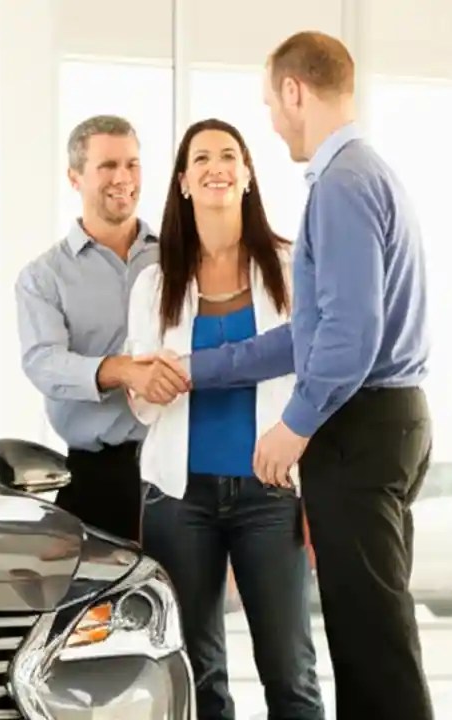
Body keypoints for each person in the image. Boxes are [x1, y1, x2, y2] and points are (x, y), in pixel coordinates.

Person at [161, 32, 434, 719]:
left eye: (271, 105)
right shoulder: (362, 175)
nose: (274, 124)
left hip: (360, 426)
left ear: (294, 91)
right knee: (370, 634)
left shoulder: (342, 185)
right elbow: (309, 334)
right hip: (384, 421)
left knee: (372, 642)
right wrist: (196, 368)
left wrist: (293, 426)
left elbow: (348, 339)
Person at [126, 118, 324, 720]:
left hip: (271, 494)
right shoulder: (155, 283)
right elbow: (143, 403)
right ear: (183, 182)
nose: (217, 166)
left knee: (290, 670)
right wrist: (149, 381)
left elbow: (315, 373)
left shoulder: (292, 267)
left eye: (229, 156)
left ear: (247, 174)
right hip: (179, 499)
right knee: (197, 670)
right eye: (202, 158)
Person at [15, 115, 189, 543]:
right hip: (98, 478)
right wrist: (124, 371)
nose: (123, 178)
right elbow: (44, 363)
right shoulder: (43, 277)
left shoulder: (178, 259)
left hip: (180, 467)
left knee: (188, 606)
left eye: (132, 164)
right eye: (108, 166)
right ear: (75, 177)